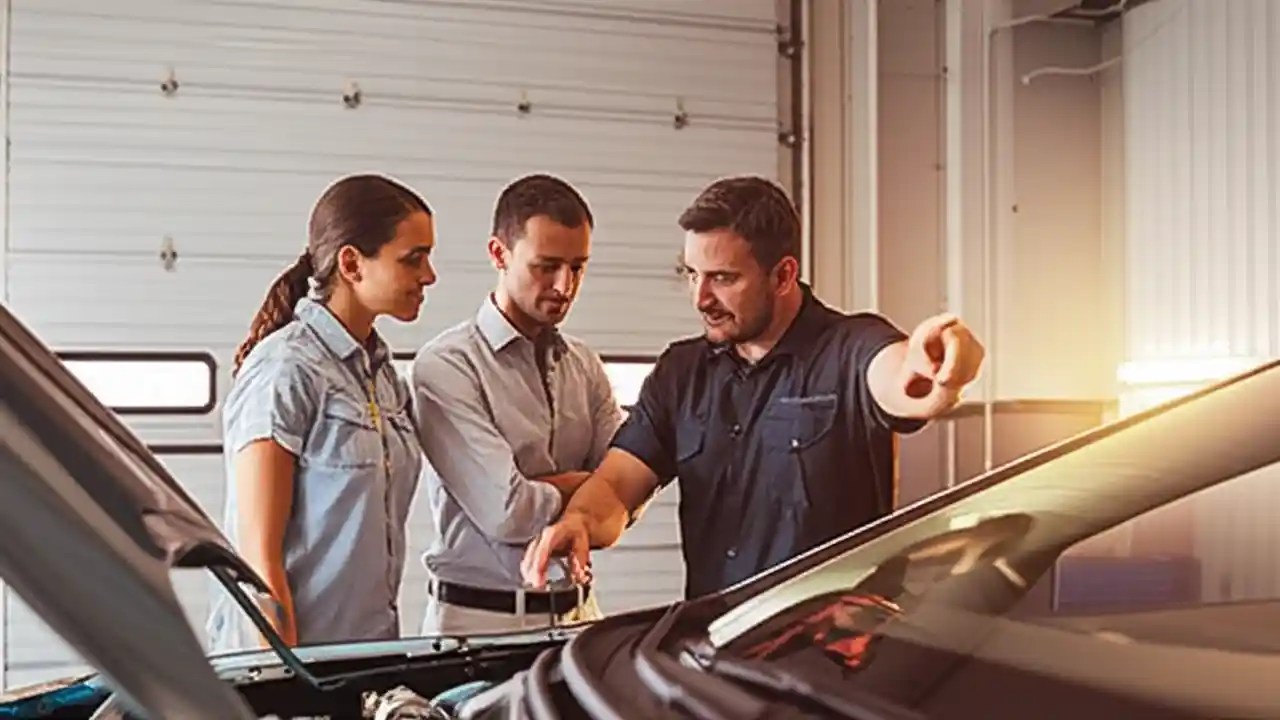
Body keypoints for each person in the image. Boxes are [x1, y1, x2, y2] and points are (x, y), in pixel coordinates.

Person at [521, 175, 986, 600]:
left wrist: (937, 367)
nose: (701, 298)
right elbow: (618, 485)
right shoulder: (681, 373)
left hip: (831, 662)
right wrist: (579, 521)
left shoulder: (849, 349)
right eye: (692, 274)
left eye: (723, 278)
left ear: (783, 275)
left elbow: (900, 377)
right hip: (717, 652)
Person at [206, 174, 437, 650]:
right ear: (351, 263)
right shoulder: (284, 369)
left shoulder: (385, 378)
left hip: (364, 658)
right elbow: (257, 561)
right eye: (414, 258)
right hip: (287, 669)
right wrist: (288, 689)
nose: (429, 275)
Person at [411, 173, 621, 633]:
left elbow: (628, 490)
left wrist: (574, 489)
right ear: (499, 254)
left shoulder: (585, 365)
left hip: (579, 619)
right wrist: (590, 485)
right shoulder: (446, 366)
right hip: (479, 627)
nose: (564, 286)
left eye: (578, 266)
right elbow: (508, 512)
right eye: (546, 266)